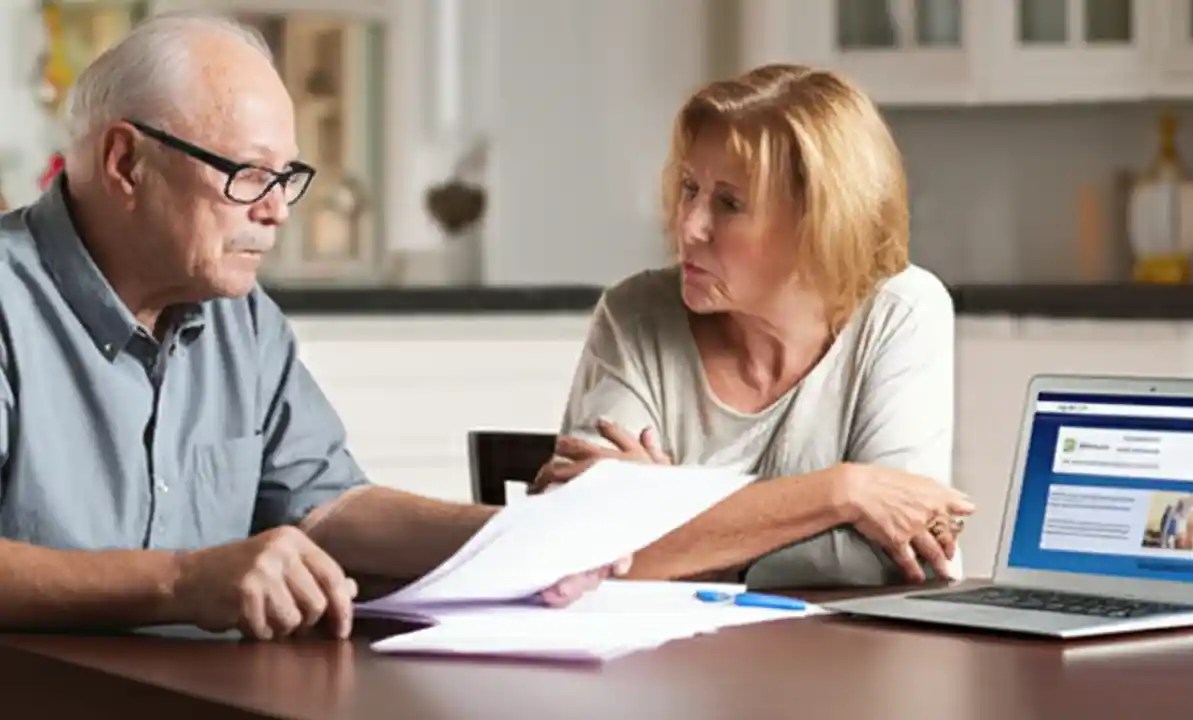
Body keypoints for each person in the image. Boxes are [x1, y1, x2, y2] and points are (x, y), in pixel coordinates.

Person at [0, 14, 623, 642]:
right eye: (247, 174)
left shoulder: (239, 315)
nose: (276, 211)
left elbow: (327, 508)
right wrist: (182, 582)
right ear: (126, 161)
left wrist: (532, 536)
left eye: (285, 178)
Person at [534, 64, 974, 589]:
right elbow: (574, 544)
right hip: (666, 665)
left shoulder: (902, 310)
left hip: (850, 661)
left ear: (819, 222)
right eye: (690, 188)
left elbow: (895, 561)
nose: (690, 225)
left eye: (728, 203)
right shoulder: (636, 314)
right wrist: (842, 492)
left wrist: (667, 512)